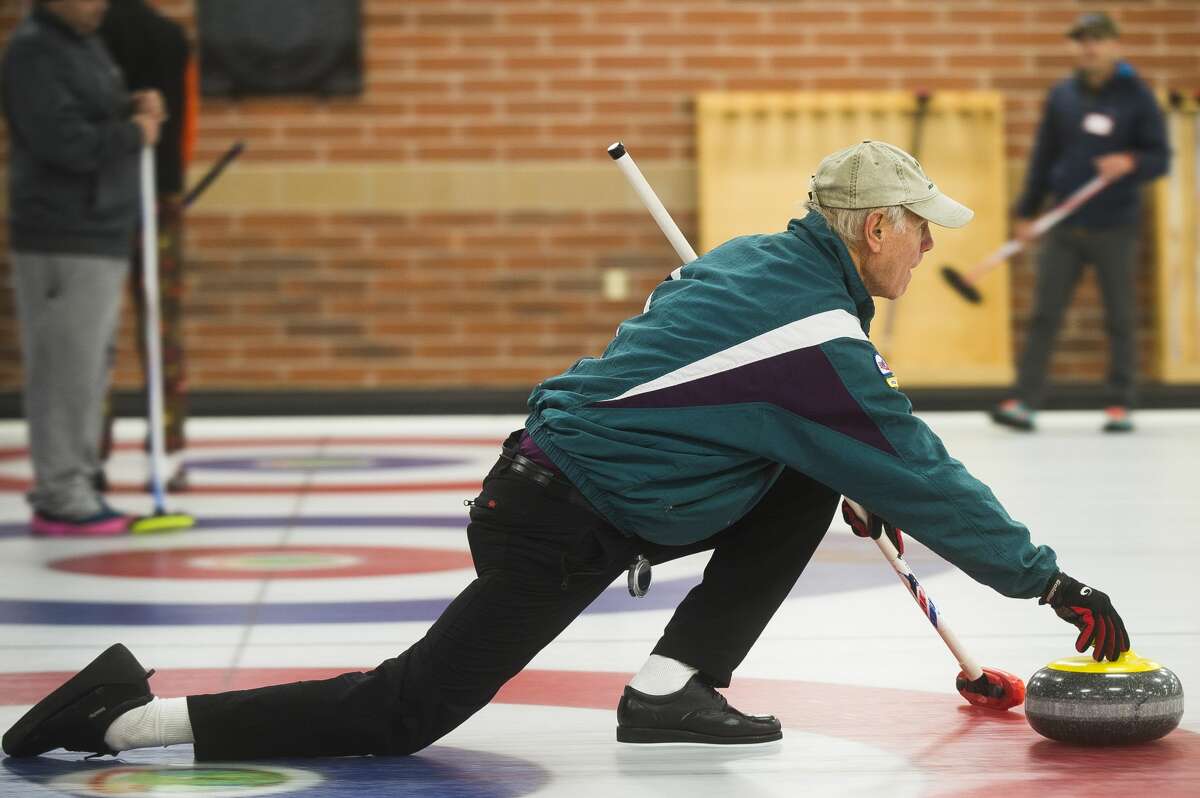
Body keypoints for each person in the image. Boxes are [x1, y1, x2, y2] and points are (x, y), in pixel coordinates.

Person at [2, 141, 1129, 762]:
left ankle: (674, 688)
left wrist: (845, 467)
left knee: (816, 472)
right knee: (402, 714)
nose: (931, 246)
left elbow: (735, 383)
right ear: (873, 229)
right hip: (558, 513)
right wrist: (1052, 583)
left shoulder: (754, 264)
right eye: (921, 226)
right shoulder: (817, 334)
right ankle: (116, 720)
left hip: (590, 486)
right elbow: (925, 471)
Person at [2, 0, 165, 536]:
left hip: (100, 227)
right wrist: (133, 133)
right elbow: (62, 141)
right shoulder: (32, 52)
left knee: (91, 363)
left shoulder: (83, 43)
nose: (99, 3)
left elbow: (89, 110)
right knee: (64, 366)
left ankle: (80, 476)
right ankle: (61, 493)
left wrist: (129, 105)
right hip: (61, 231)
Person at [992, 10, 1170, 434]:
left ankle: (1121, 403)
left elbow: (1160, 158)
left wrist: (1130, 161)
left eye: (1097, 39)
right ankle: (1025, 401)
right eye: (1081, 40)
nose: (1088, 47)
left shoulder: (1136, 96)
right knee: (1045, 314)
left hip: (1115, 225)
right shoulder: (1064, 96)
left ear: (1114, 44)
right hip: (1064, 225)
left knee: (1120, 316)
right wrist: (1026, 211)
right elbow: (1043, 157)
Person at [96, 0, 197, 493]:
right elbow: (188, 124)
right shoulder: (172, 37)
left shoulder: (87, 35)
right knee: (163, 326)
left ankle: (89, 453)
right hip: (160, 194)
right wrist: (174, 182)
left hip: (95, 197)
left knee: (93, 331)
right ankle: (169, 452)